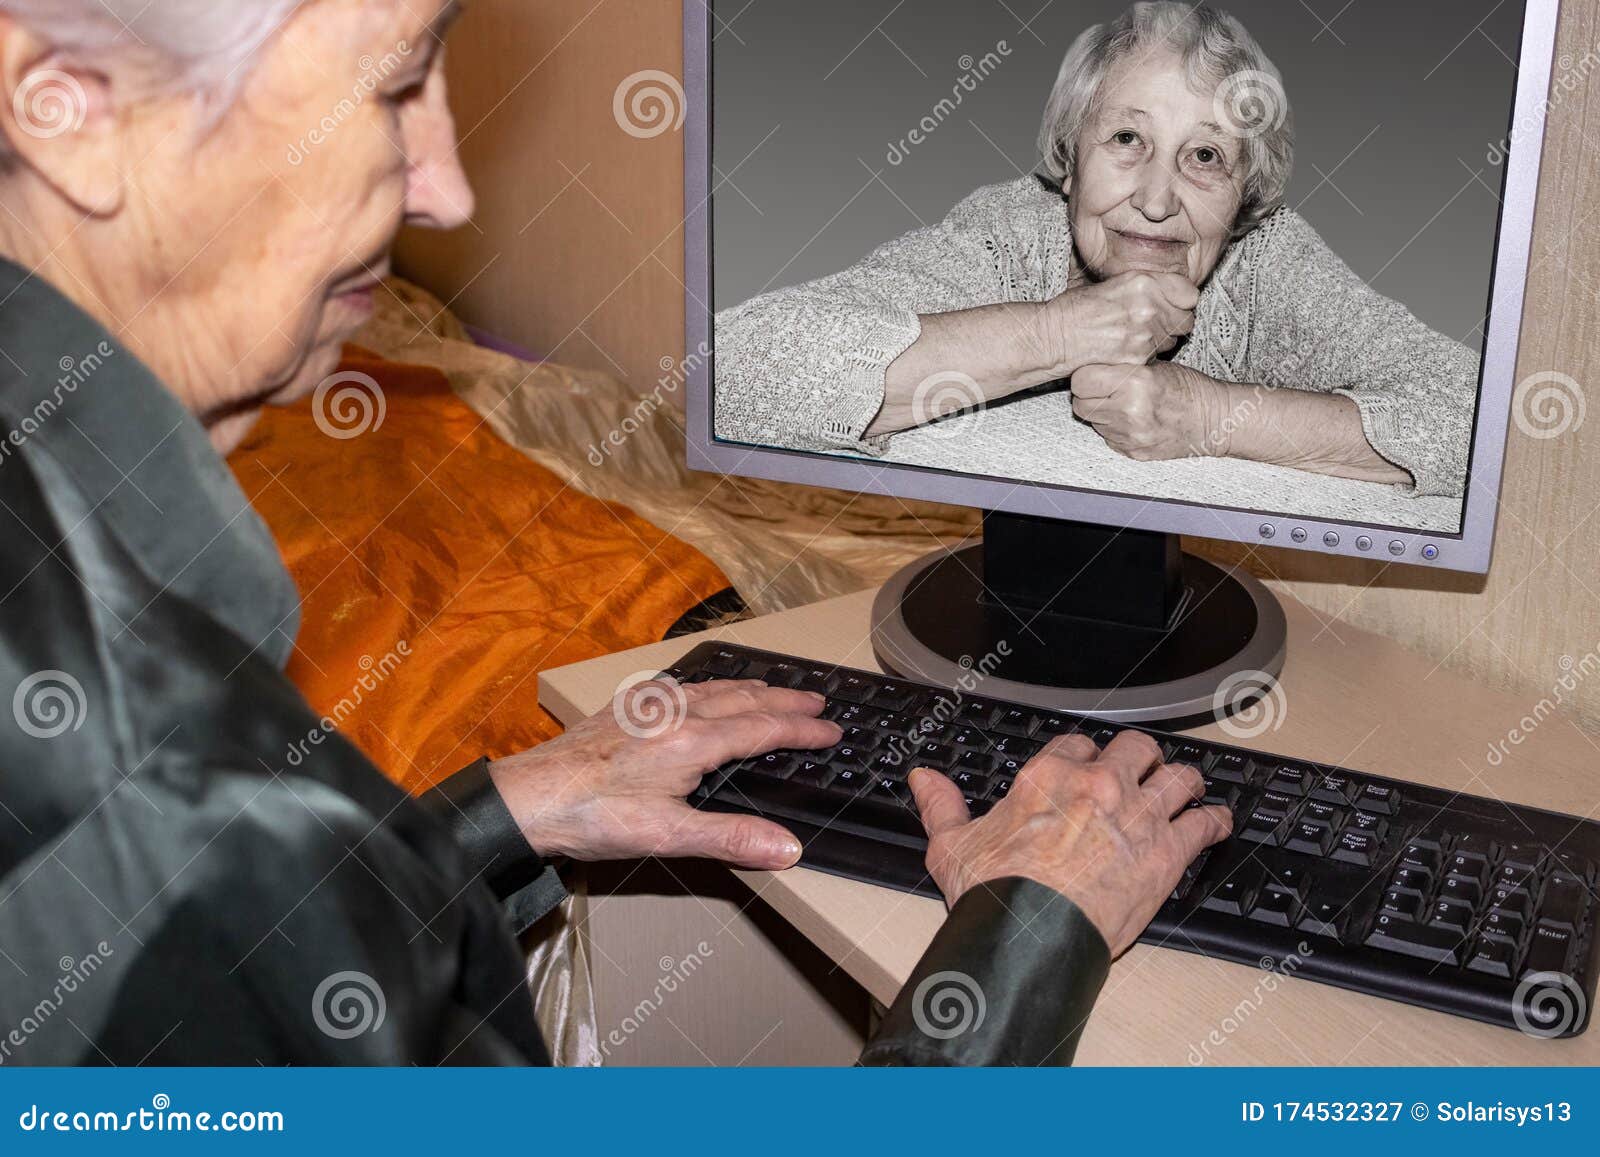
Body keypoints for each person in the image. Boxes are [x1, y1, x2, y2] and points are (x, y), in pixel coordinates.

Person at [0, 0, 1229, 1066]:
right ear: (64, 113)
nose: (448, 187)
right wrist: (1027, 932)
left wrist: (492, 811)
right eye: (390, 87)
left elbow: (206, 1001)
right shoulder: (145, 759)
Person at [715, 1, 1478, 500]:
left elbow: (1479, 419)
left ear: (1245, 193)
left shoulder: (1267, 264)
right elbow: (735, 371)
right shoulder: (1008, 235)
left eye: (1205, 156)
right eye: (1125, 139)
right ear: (1070, 158)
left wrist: (1208, 414)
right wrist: (1062, 330)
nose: (1154, 199)